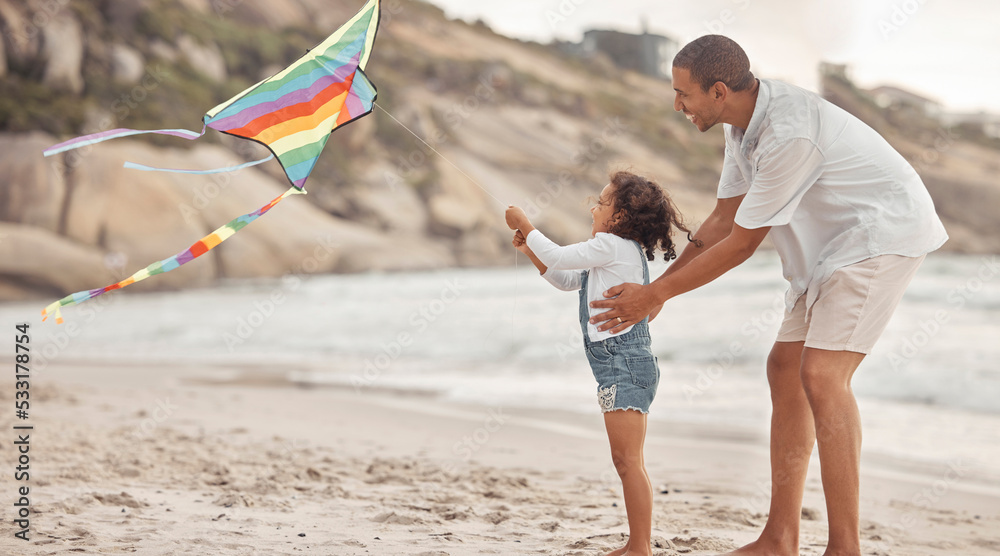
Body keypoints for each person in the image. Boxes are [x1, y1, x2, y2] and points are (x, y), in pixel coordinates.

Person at [587, 35, 948, 556]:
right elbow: (722, 219)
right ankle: (781, 538)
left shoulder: (788, 133)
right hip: (830, 248)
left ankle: (845, 548)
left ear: (717, 90)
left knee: (823, 376)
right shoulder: (742, 126)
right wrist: (656, 293)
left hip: (879, 236)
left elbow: (741, 246)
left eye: (682, 94)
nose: (676, 105)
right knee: (785, 368)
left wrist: (656, 294)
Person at [505, 170, 699, 556]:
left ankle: (640, 546)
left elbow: (558, 254)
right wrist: (529, 250)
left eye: (601, 202)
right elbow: (564, 278)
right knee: (626, 460)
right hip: (617, 366)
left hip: (624, 365)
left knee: (628, 461)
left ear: (620, 217)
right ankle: (637, 542)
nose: (593, 207)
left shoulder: (610, 246)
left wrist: (526, 224)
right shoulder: (611, 253)